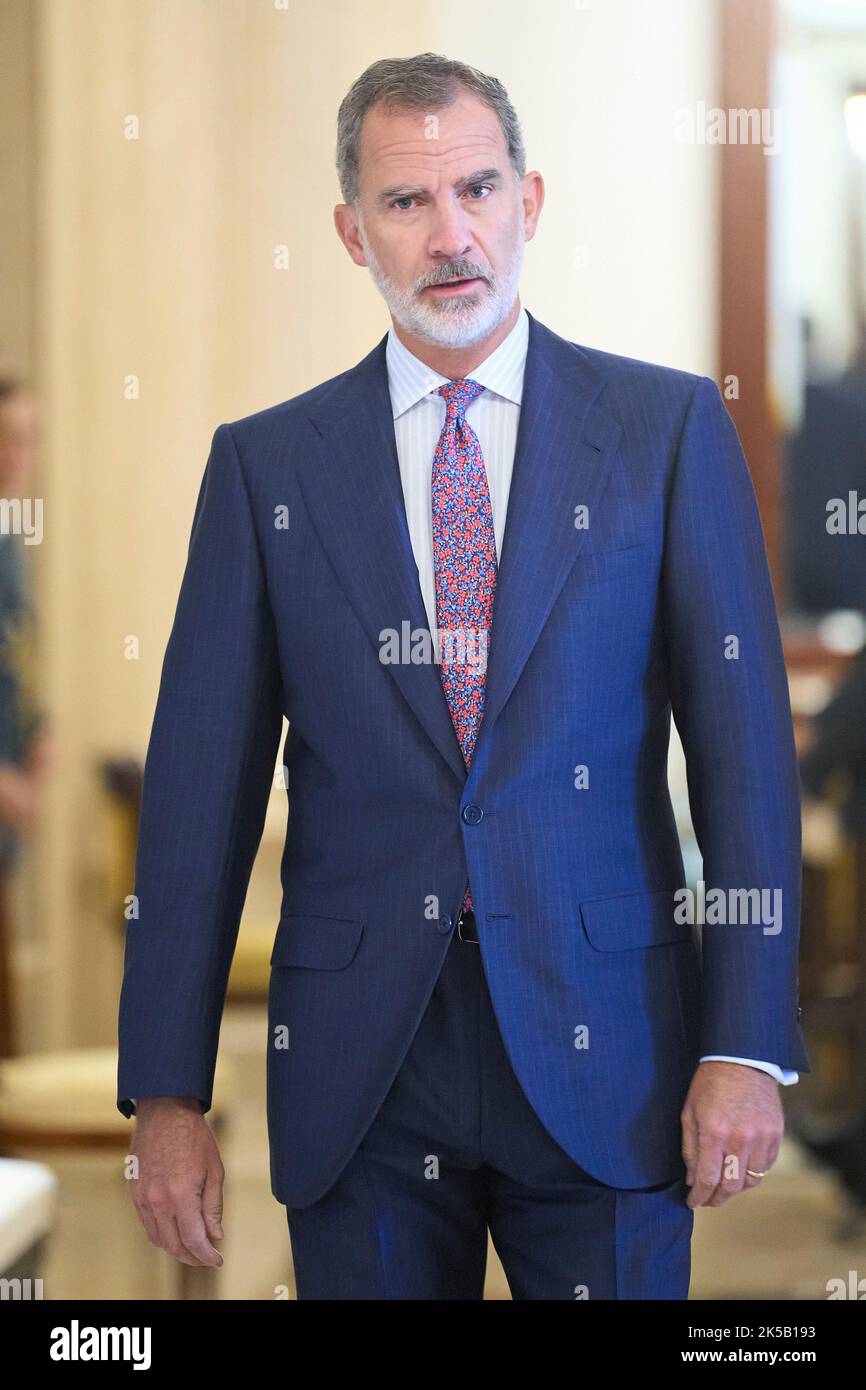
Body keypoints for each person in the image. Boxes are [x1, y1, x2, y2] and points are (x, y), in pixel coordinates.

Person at [117, 54, 809, 1300]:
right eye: (405, 203)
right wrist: (166, 1089)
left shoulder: (661, 433)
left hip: (613, 1047)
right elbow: (195, 803)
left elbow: (745, 758)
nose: (451, 235)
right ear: (349, 232)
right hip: (362, 1068)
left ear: (528, 199)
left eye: (476, 189)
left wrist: (747, 1044)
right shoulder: (265, 469)